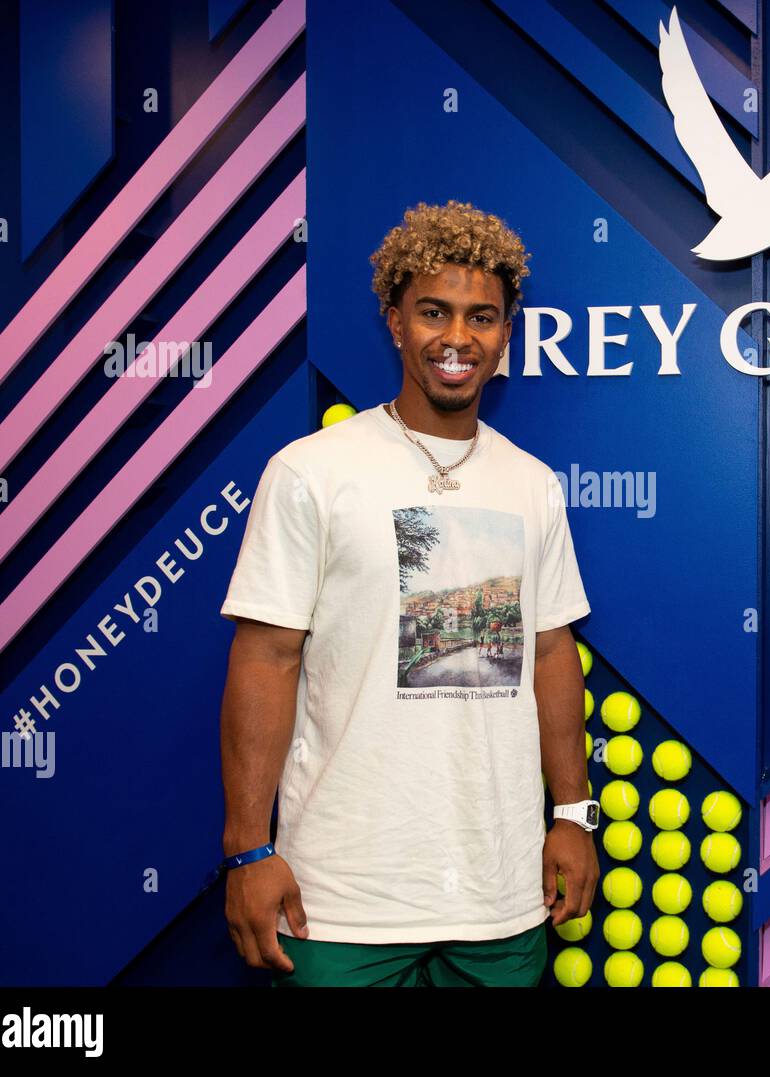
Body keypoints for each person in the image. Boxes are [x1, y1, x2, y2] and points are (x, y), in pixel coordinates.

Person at [217, 200, 598, 986]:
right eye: (434, 311)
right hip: (337, 898)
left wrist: (570, 813)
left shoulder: (533, 484)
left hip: (501, 892)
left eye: (481, 317)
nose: (457, 338)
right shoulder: (311, 471)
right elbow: (265, 659)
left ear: (505, 334)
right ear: (395, 321)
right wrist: (249, 848)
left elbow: (553, 651)